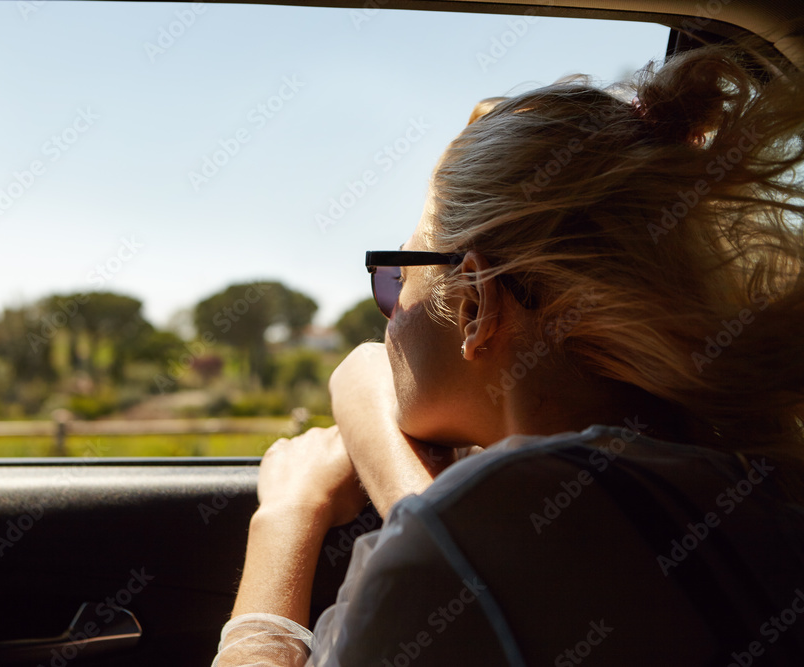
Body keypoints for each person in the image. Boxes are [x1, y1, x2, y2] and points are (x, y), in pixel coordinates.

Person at [212, 45, 804, 666]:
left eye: (396, 278)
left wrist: (284, 518)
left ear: (474, 304)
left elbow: (482, 570)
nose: (387, 319)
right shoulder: (749, 491)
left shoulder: (472, 539)